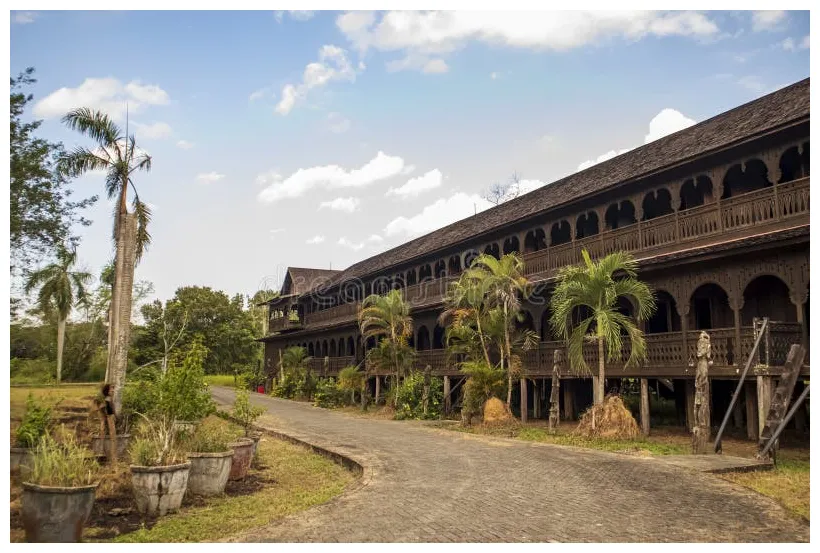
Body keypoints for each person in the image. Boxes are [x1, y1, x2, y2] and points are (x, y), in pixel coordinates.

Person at [96, 384, 117, 461]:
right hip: (108, 409)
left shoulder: (104, 400)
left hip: (104, 408)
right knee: (112, 431)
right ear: (107, 391)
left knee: (103, 426)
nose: (113, 391)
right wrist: (114, 415)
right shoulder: (108, 399)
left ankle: (101, 450)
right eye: (111, 389)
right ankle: (113, 454)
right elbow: (111, 409)